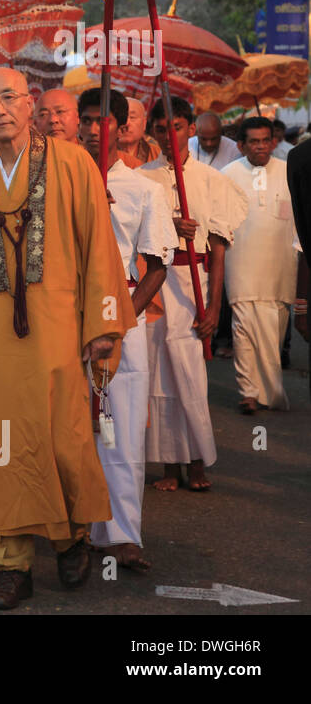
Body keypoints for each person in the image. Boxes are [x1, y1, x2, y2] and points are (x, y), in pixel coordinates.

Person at [0, 67, 134, 610]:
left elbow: (98, 249)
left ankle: (71, 537)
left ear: (30, 103)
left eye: (7, 98)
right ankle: (7, 565)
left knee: (64, 442)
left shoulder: (72, 164)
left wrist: (103, 324)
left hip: (58, 329)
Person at [76, 88, 174, 573]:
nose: (94, 129)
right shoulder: (57, 183)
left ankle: (119, 533)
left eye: (103, 121)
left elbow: (157, 264)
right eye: (86, 120)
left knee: (119, 430)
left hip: (122, 317)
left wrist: (120, 322)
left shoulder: (143, 189)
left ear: (121, 128)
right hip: (63, 318)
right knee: (68, 428)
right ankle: (68, 528)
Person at [139, 97, 247, 493]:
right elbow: (136, 236)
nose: (170, 136)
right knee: (159, 375)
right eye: (162, 129)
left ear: (189, 129)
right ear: (153, 132)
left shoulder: (211, 180)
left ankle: (198, 460)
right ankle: (170, 464)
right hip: (154, 284)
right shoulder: (142, 178)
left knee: (190, 373)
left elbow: (217, 248)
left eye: (178, 127)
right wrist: (168, 225)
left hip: (194, 284)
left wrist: (215, 305)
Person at [221, 117, 297, 414]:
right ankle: (249, 392)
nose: (261, 146)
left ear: (273, 141)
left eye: (266, 140)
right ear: (241, 145)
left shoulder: (289, 172)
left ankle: (270, 390)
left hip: (280, 268)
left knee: (274, 331)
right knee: (242, 328)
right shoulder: (227, 175)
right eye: (254, 141)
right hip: (240, 263)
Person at [116, 96, 160, 169]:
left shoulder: (158, 155)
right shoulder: (102, 154)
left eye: (132, 117)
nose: (126, 123)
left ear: (144, 124)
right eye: (122, 117)